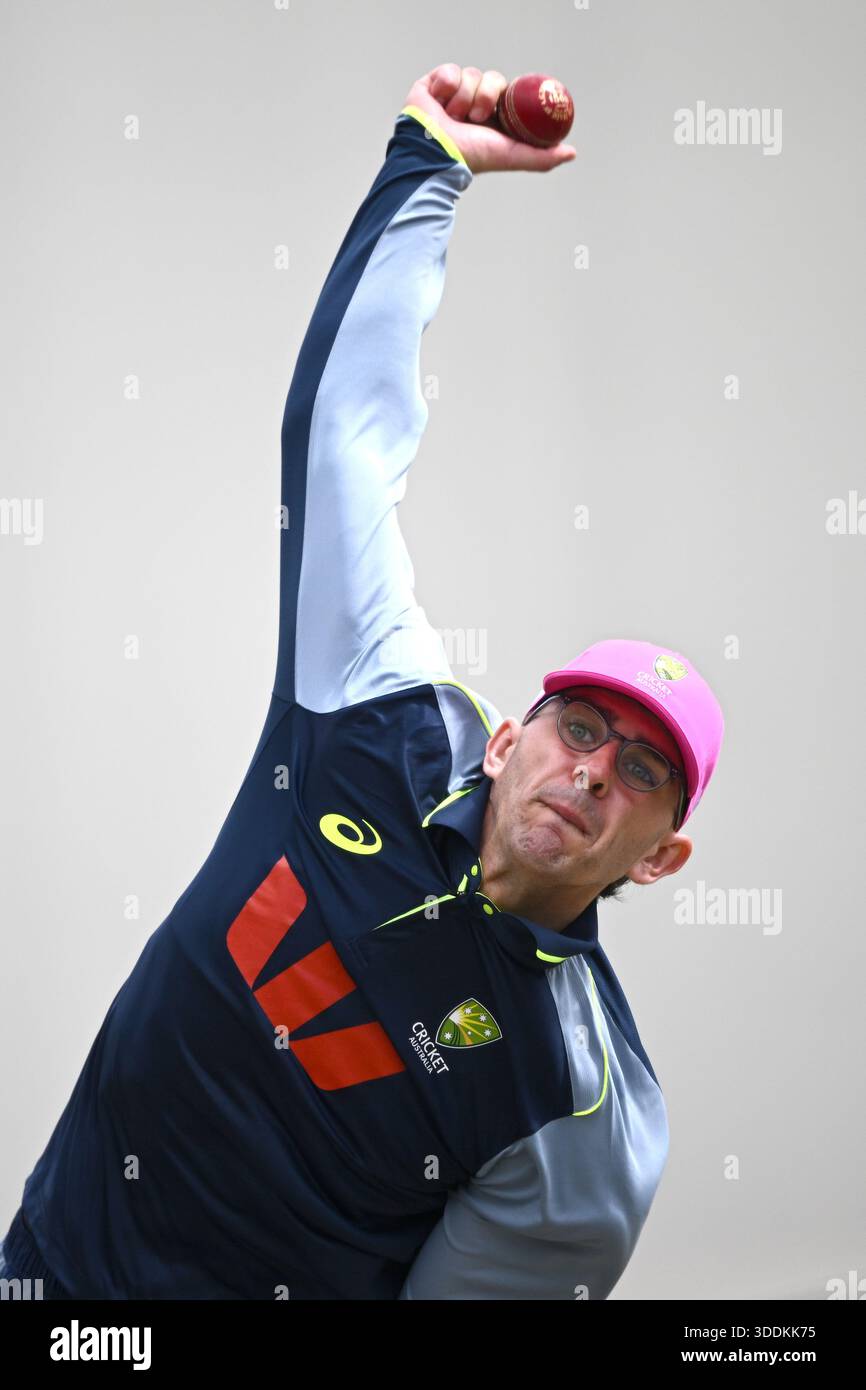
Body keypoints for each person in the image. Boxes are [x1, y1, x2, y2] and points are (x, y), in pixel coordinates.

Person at [1, 63, 723, 1300]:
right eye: (580, 728)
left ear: (657, 857)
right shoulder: (376, 715)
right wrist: (426, 169)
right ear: (506, 740)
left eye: (641, 770)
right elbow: (342, 439)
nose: (593, 768)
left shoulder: (582, 1120)